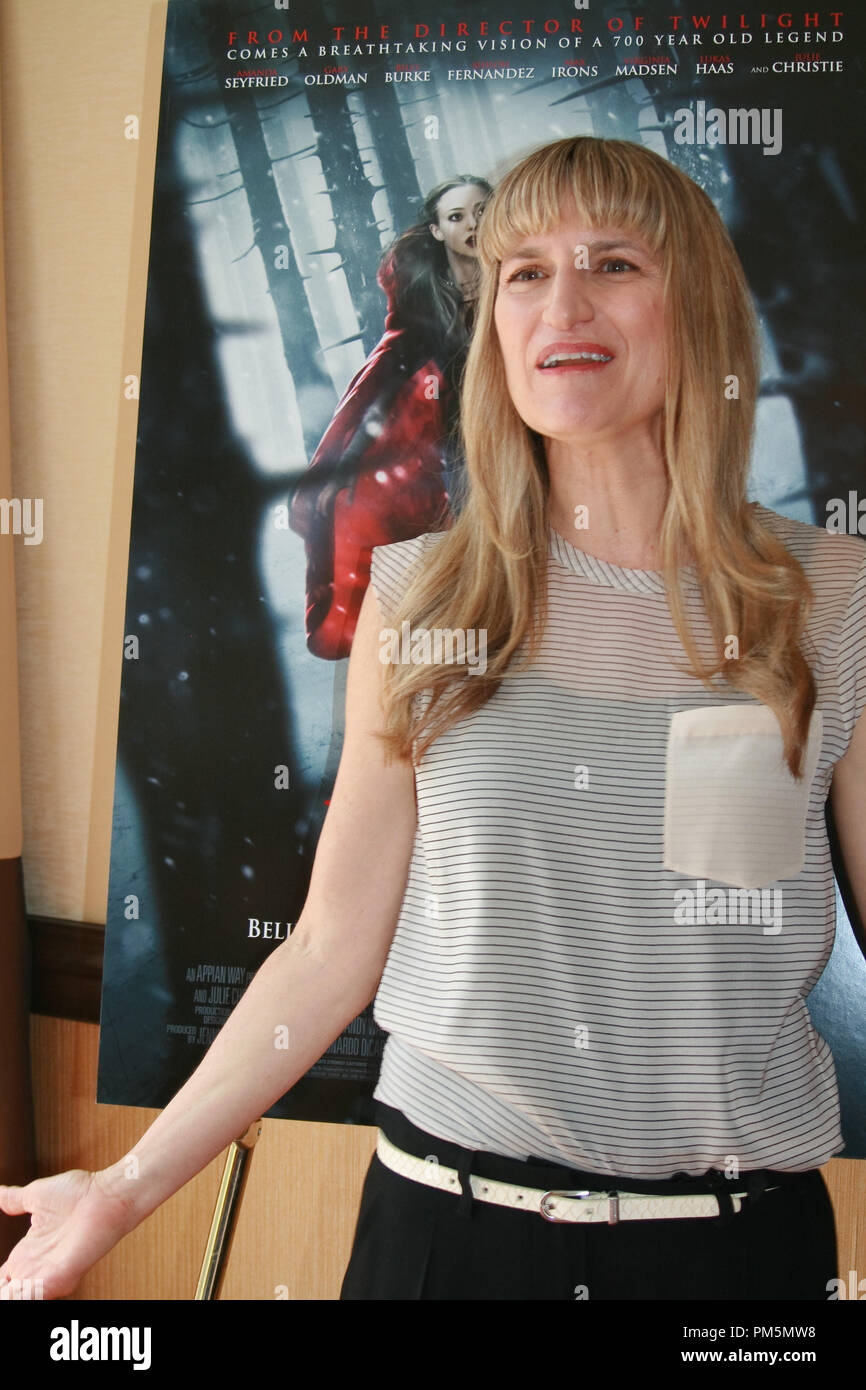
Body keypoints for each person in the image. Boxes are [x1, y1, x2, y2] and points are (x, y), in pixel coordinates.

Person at [1, 136, 864, 1301]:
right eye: (521, 271)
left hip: (730, 1256)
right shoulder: (418, 597)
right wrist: (122, 1186)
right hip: (445, 1240)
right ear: (490, 322)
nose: (563, 300)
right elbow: (326, 949)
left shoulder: (830, 598)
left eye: (612, 262)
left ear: (694, 303)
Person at [288, 176, 491, 660]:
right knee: (464, 559)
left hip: (515, 438)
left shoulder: (520, 281)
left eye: (480, 212)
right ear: (438, 231)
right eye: (457, 217)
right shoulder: (424, 305)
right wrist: (349, 462)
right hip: (457, 451)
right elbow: (383, 385)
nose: (471, 225)